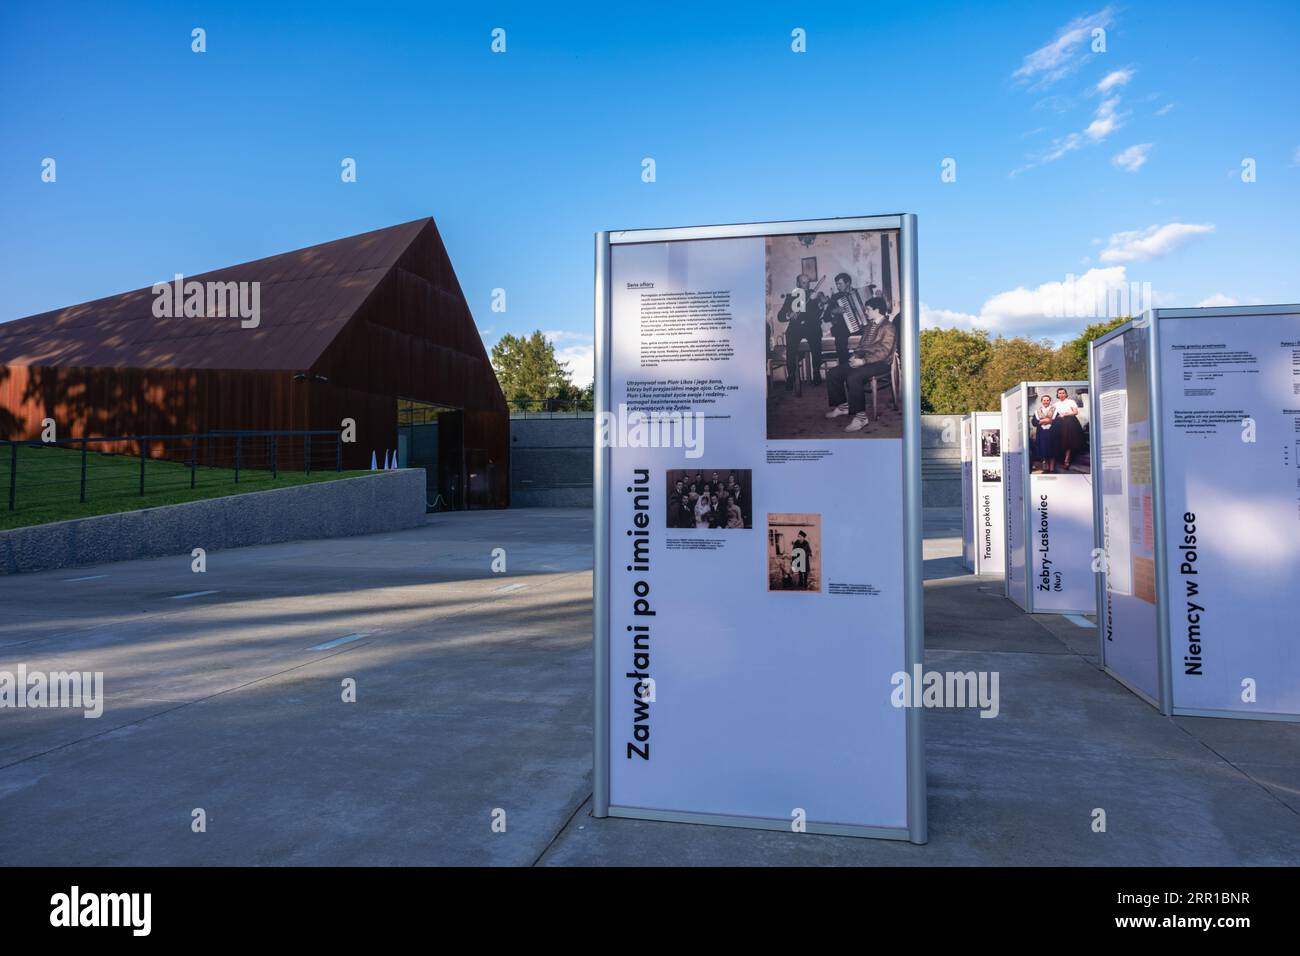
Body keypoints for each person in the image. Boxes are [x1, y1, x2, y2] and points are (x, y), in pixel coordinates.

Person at [824, 310, 898, 432]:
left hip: (881, 363)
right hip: (865, 359)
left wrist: (864, 361)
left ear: (876, 310)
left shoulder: (889, 327)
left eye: (868, 309)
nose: (865, 312)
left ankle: (861, 418)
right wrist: (855, 355)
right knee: (834, 373)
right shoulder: (869, 326)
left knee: (853, 376)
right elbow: (862, 345)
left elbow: (885, 352)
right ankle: (843, 406)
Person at [776, 274, 829, 389]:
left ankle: (816, 371)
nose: (807, 285)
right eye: (804, 283)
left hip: (811, 327)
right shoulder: (791, 297)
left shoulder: (815, 296)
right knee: (791, 347)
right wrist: (789, 314)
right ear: (798, 284)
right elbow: (780, 316)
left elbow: (817, 315)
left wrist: (820, 305)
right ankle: (791, 375)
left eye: (808, 282)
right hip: (796, 328)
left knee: (816, 338)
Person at [1053, 387, 1085, 472]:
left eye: (1063, 393)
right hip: (1060, 423)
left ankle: (1066, 460)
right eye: (1059, 393)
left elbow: (1075, 412)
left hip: (1070, 422)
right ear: (1057, 394)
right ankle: (1062, 459)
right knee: (1061, 441)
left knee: (1068, 440)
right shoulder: (1056, 404)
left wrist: (1066, 414)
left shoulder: (1071, 402)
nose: (1061, 394)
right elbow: (1054, 415)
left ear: (1066, 394)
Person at [1033, 394, 1058, 473]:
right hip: (1042, 433)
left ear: (1050, 401)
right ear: (1041, 401)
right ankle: (1046, 466)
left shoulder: (1055, 410)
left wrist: (1051, 421)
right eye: (1044, 400)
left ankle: (1052, 468)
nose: (1046, 402)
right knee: (1044, 449)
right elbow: (1034, 422)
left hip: (1052, 432)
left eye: (1047, 400)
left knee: (1052, 450)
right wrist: (1042, 421)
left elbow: (1059, 421)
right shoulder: (1037, 412)